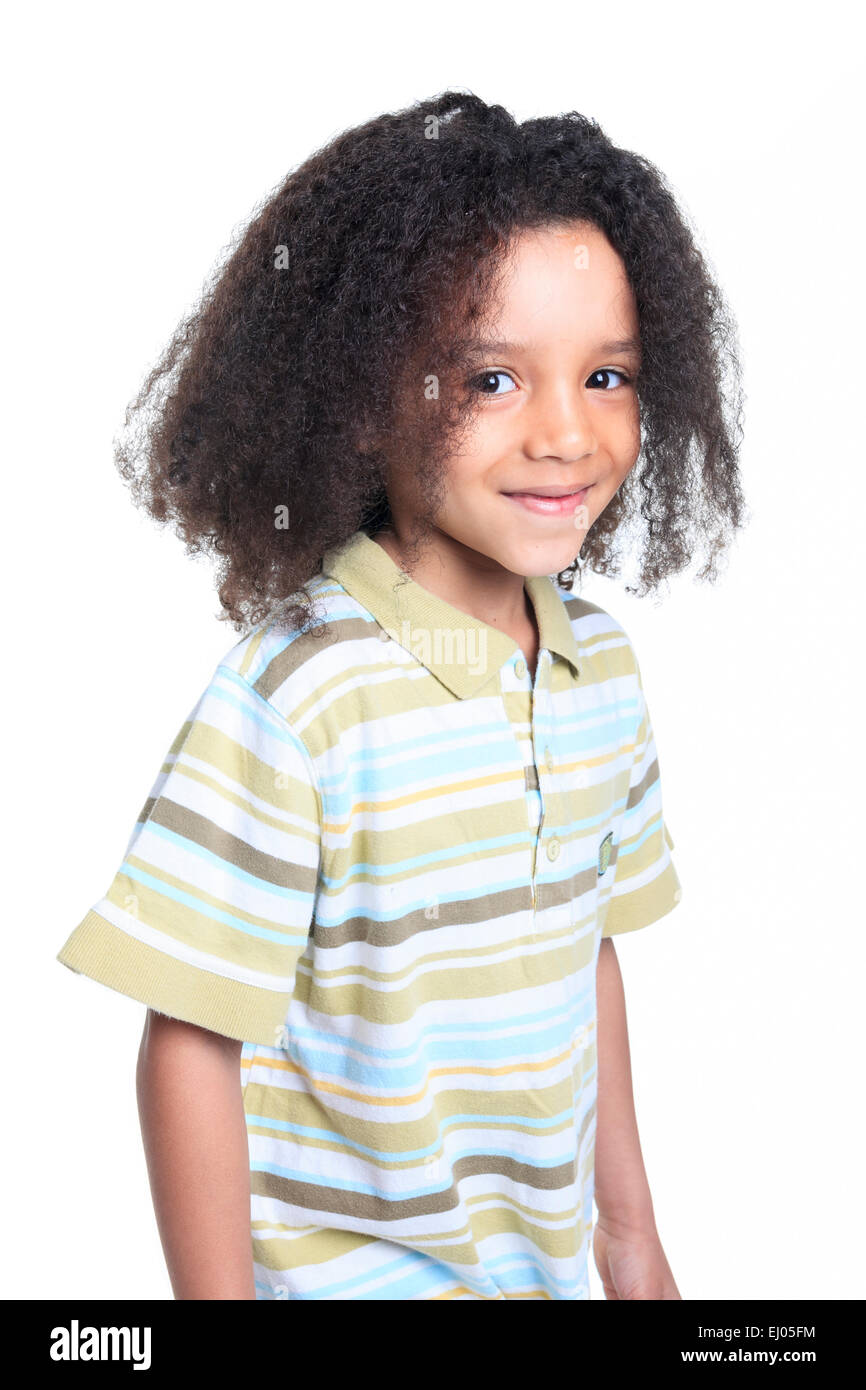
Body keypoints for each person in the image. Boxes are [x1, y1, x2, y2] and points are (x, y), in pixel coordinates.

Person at [56, 89, 746, 1300]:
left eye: (604, 376)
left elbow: (583, 955)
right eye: (489, 381)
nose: (563, 434)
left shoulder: (599, 674)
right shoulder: (304, 696)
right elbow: (189, 1036)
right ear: (365, 399)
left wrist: (630, 1247)